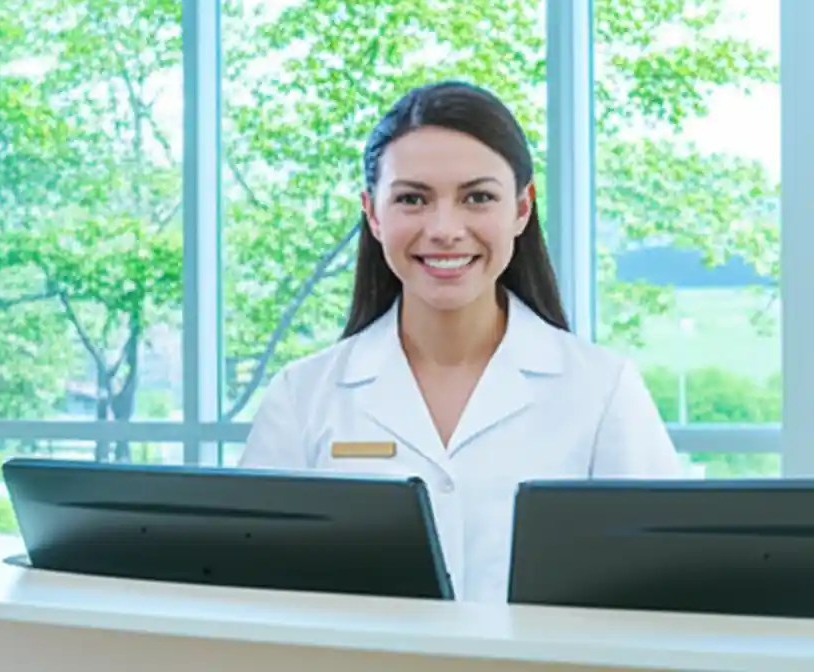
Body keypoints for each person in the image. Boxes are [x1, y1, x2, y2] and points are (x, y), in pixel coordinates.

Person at [238, 80, 684, 604]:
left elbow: (661, 591)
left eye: (477, 197)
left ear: (521, 209)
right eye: (412, 199)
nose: (445, 229)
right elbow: (257, 597)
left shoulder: (602, 390)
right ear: (373, 213)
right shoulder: (303, 396)